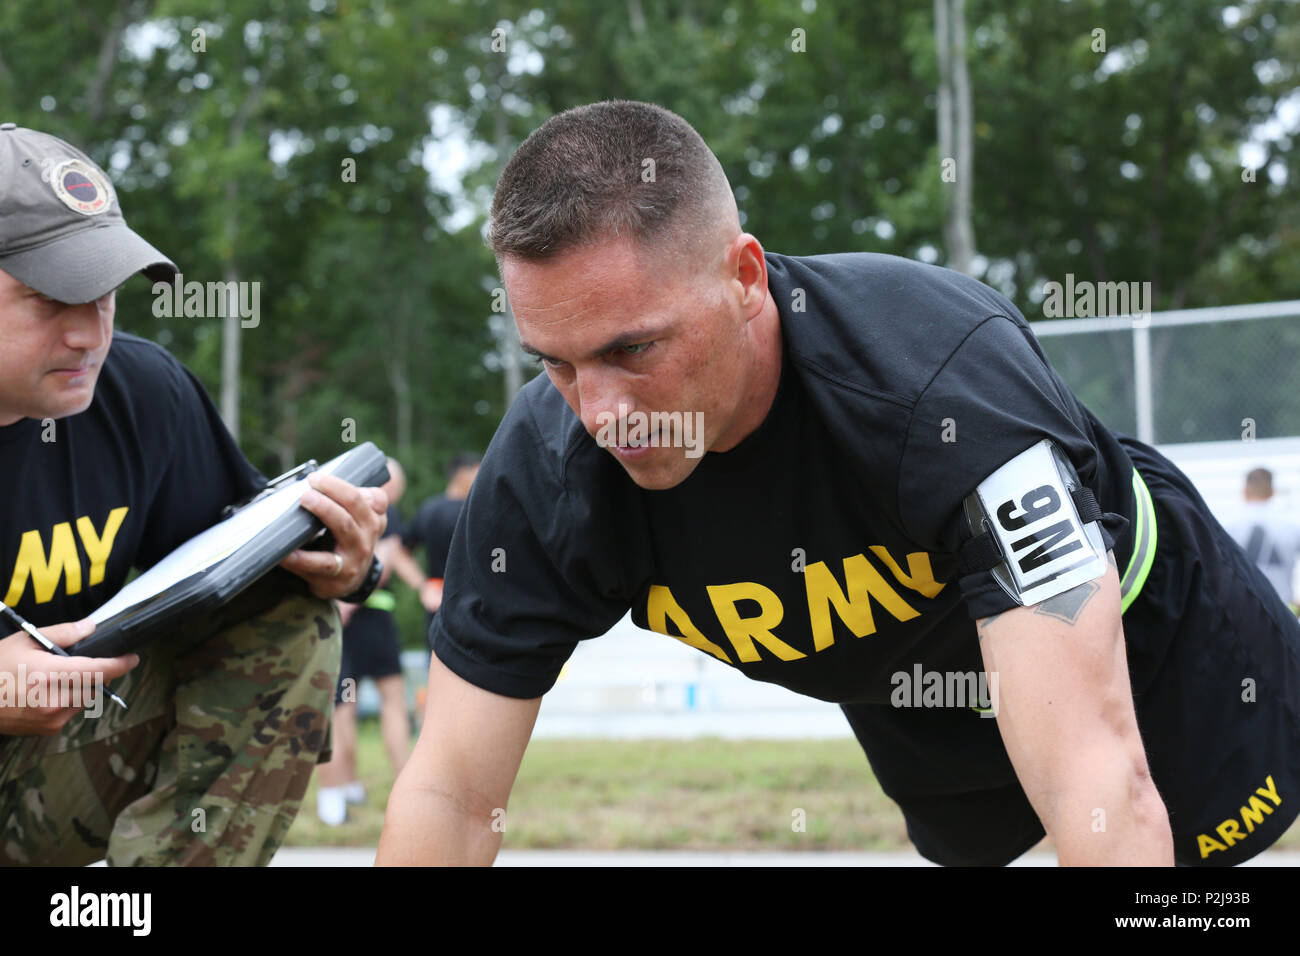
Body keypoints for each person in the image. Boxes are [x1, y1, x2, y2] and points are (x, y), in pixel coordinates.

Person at [378, 101, 1300, 867]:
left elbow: (1096, 771)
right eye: (558, 363)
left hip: (1147, 653)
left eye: (633, 349)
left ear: (745, 277)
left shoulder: (938, 389)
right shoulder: (544, 474)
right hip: (919, 704)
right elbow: (452, 797)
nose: (603, 413)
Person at [0, 124, 387, 865]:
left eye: (105, 294)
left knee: (285, 619)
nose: (89, 333)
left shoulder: (140, 396)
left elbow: (236, 571)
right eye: (50, 298)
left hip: (37, 776)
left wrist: (346, 566)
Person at [316, 458, 420, 825]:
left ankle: (342, 790)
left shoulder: (335, 505)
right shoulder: (385, 510)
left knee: (341, 704)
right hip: (371, 618)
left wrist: (341, 605)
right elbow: (384, 561)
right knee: (389, 702)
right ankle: (400, 786)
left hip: (341, 617)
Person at [402, 454, 480, 650]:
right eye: (478, 471)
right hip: (476, 605)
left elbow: (401, 551)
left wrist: (424, 586)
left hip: (437, 603)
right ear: (462, 474)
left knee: (437, 662)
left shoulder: (429, 509)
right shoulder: (478, 509)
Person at [1222, 468, 1300, 612]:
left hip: (1242, 611)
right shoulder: (1291, 526)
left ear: (1245, 490)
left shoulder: (1228, 526)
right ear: (1272, 491)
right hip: (1284, 611)